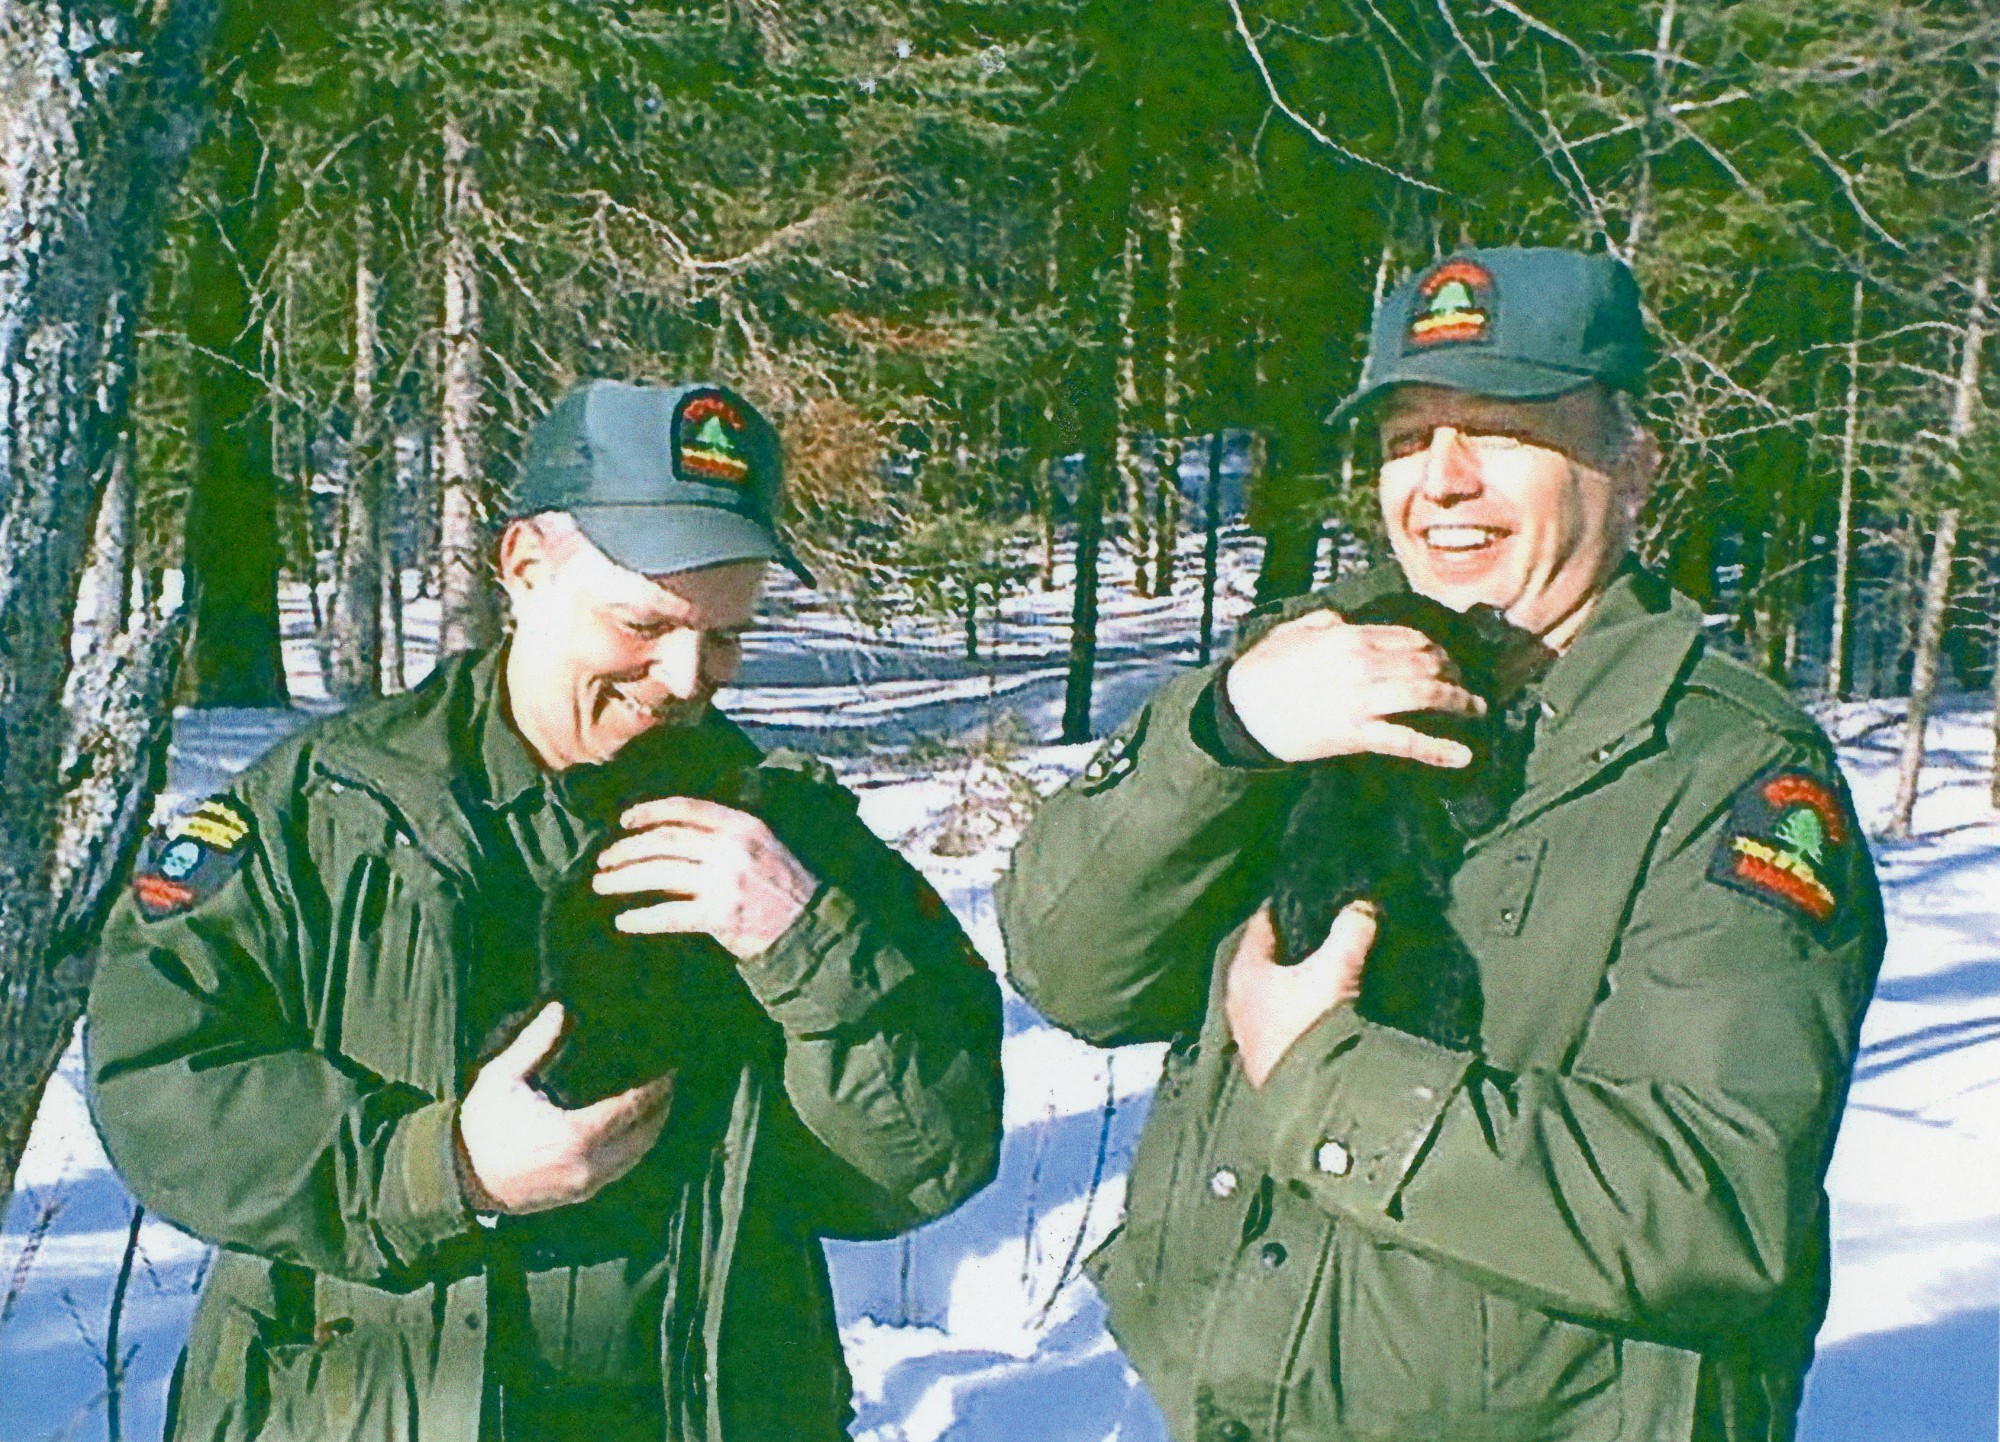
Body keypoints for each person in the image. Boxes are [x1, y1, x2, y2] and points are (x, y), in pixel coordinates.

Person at [999, 248, 1884, 1442]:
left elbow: (1712, 1207)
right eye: (1405, 438)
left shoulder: (1721, 771)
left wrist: (1321, 1071)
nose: (1441, 481)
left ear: (1631, 467)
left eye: (1501, 430)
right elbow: (1073, 970)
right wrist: (1221, 740)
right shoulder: (1309, 677)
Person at [87, 379, 1004, 1441]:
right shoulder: (327, 809)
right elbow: (156, 1075)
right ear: (524, 566)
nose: (683, 675)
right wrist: (444, 1167)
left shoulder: (788, 832)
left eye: (724, 636)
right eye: (644, 621)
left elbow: (921, 1161)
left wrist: (805, 947)